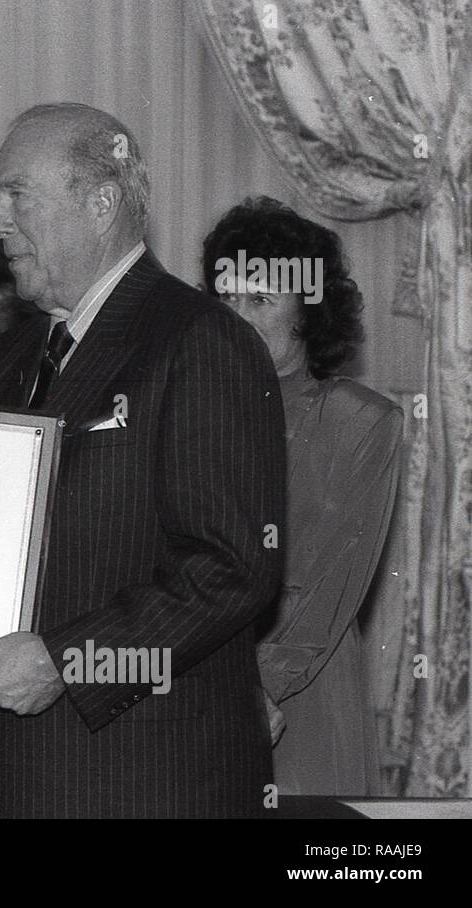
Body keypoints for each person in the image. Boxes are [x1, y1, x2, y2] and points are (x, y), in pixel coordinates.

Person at [0, 103, 285, 817]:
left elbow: (232, 567)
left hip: (140, 779)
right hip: (14, 769)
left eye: (18, 195)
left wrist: (67, 661)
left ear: (101, 203)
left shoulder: (201, 342)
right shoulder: (11, 357)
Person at [203, 196, 403, 795]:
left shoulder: (361, 420)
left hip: (301, 694)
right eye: (227, 296)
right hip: (194, 686)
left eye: (260, 299)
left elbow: (332, 585)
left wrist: (252, 690)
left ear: (308, 314)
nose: (235, 315)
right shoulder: (186, 413)